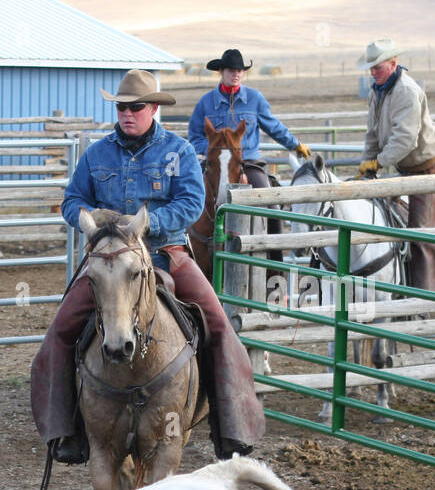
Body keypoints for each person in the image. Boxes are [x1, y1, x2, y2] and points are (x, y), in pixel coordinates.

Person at [31, 69, 265, 463]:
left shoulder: (178, 152)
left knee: (219, 326)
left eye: (136, 107)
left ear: (153, 108)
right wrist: (90, 218)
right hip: (107, 263)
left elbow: (192, 203)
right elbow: (71, 201)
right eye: (122, 107)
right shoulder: (96, 154)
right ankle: (65, 432)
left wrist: (148, 224)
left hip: (167, 253)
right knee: (59, 332)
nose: (127, 113)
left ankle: (231, 428)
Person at [358, 38, 435, 292]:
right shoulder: (378, 91)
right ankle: (395, 283)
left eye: (378, 66)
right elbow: (372, 133)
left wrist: (379, 162)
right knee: (383, 220)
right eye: (371, 67)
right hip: (402, 166)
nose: (373, 71)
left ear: (394, 64)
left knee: (421, 234)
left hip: (423, 169)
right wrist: (367, 164)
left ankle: (423, 298)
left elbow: (405, 139)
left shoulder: (406, 91)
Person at [188, 48, 311, 190]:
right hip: (215, 164)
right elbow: (195, 137)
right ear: (221, 71)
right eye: (231, 70)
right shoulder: (205, 103)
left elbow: (273, 126)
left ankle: (273, 210)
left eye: (239, 70)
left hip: (249, 162)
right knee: (192, 196)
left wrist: (295, 144)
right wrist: (217, 151)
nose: (236, 74)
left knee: (268, 200)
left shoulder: (255, 98)